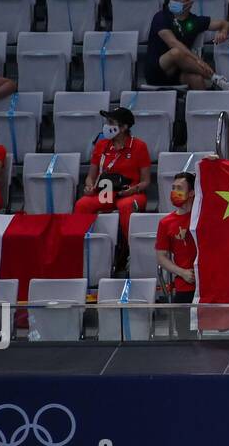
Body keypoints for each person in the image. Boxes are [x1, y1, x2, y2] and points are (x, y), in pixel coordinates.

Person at [74, 107, 152, 270]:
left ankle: (130, 251)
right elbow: (91, 176)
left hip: (131, 191)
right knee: (83, 204)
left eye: (111, 122)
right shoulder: (102, 145)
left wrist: (133, 190)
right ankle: (82, 251)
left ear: (123, 127)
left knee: (126, 206)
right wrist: (89, 186)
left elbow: (146, 181)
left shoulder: (139, 146)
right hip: (106, 192)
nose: (106, 126)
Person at [142, 0, 229, 91]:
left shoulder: (194, 21)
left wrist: (223, 32)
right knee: (176, 52)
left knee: (196, 79)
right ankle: (215, 78)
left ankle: (206, 106)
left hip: (178, 72)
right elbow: (173, 43)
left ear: (189, 2)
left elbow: (226, 24)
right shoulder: (161, 17)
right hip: (156, 70)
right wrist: (199, 60)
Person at [155, 172, 198, 303]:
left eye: (179, 188)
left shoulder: (202, 217)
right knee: (182, 323)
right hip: (184, 285)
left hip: (209, 284)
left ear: (191, 192)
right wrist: (182, 272)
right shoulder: (165, 223)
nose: (174, 192)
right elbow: (161, 257)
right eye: (173, 188)